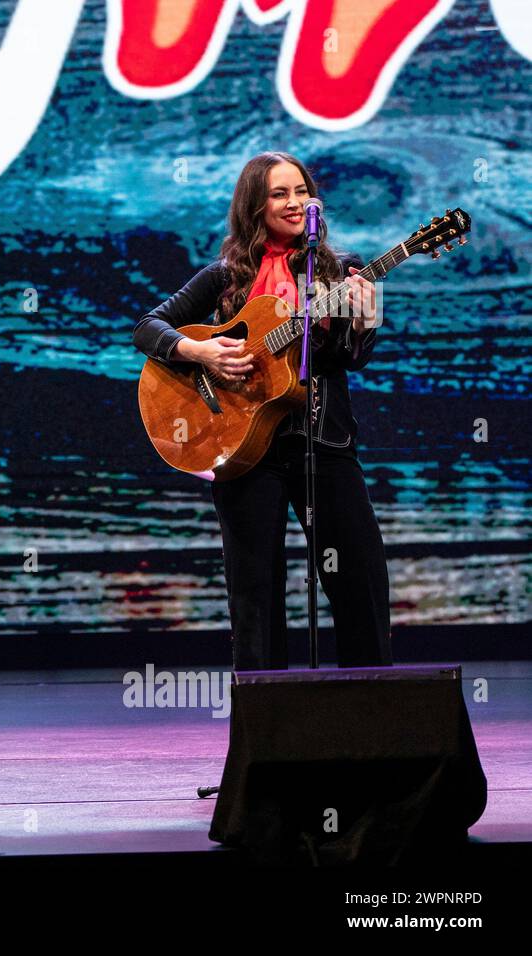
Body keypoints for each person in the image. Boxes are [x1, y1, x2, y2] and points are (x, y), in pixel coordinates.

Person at [132, 151, 391, 671]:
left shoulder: (342, 271)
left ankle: (370, 711)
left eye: (301, 191)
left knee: (359, 577)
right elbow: (148, 326)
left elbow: (348, 360)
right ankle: (266, 725)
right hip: (243, 449)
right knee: (255, 592)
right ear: (255, 205)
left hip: (323, 443)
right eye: (280, 194)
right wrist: (200, 351)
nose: (295, 203)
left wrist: (364, 324)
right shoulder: (226, 275)